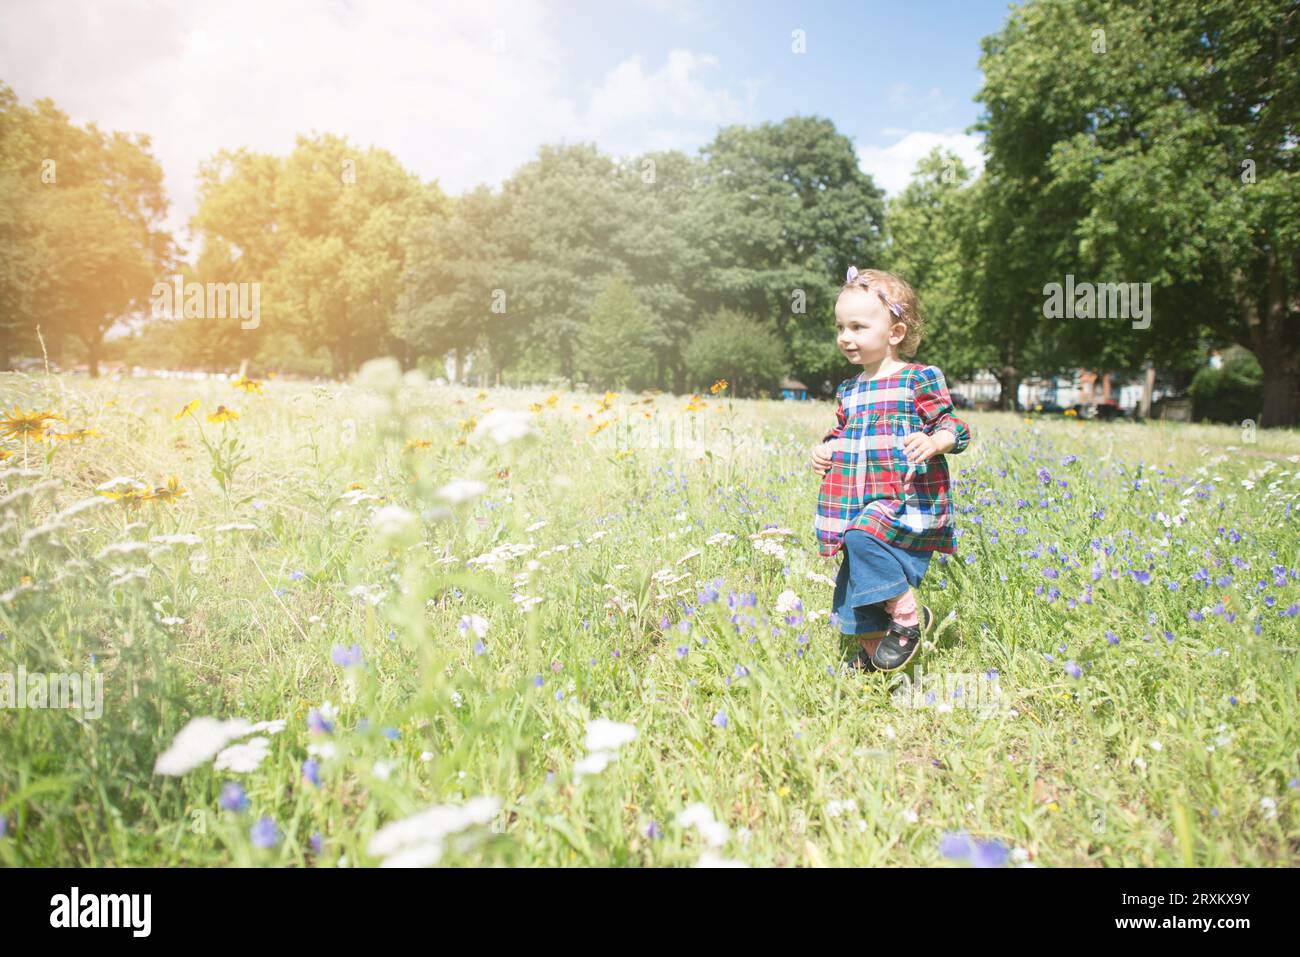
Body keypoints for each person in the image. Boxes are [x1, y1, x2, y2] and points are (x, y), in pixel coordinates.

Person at [809, 266, 972, 673]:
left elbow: (955, 427)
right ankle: (874, 661)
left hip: (904, 500)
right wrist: (826, 449)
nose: (846, 337)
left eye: (858, 327)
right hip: (856, 499)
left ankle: (906, 616)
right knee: (851, 584)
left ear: (895, 333)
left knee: (862, 537)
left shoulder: (917, 379)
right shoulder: (850, 390)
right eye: (841, 327)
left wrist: (936, 442)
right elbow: (841, 433)